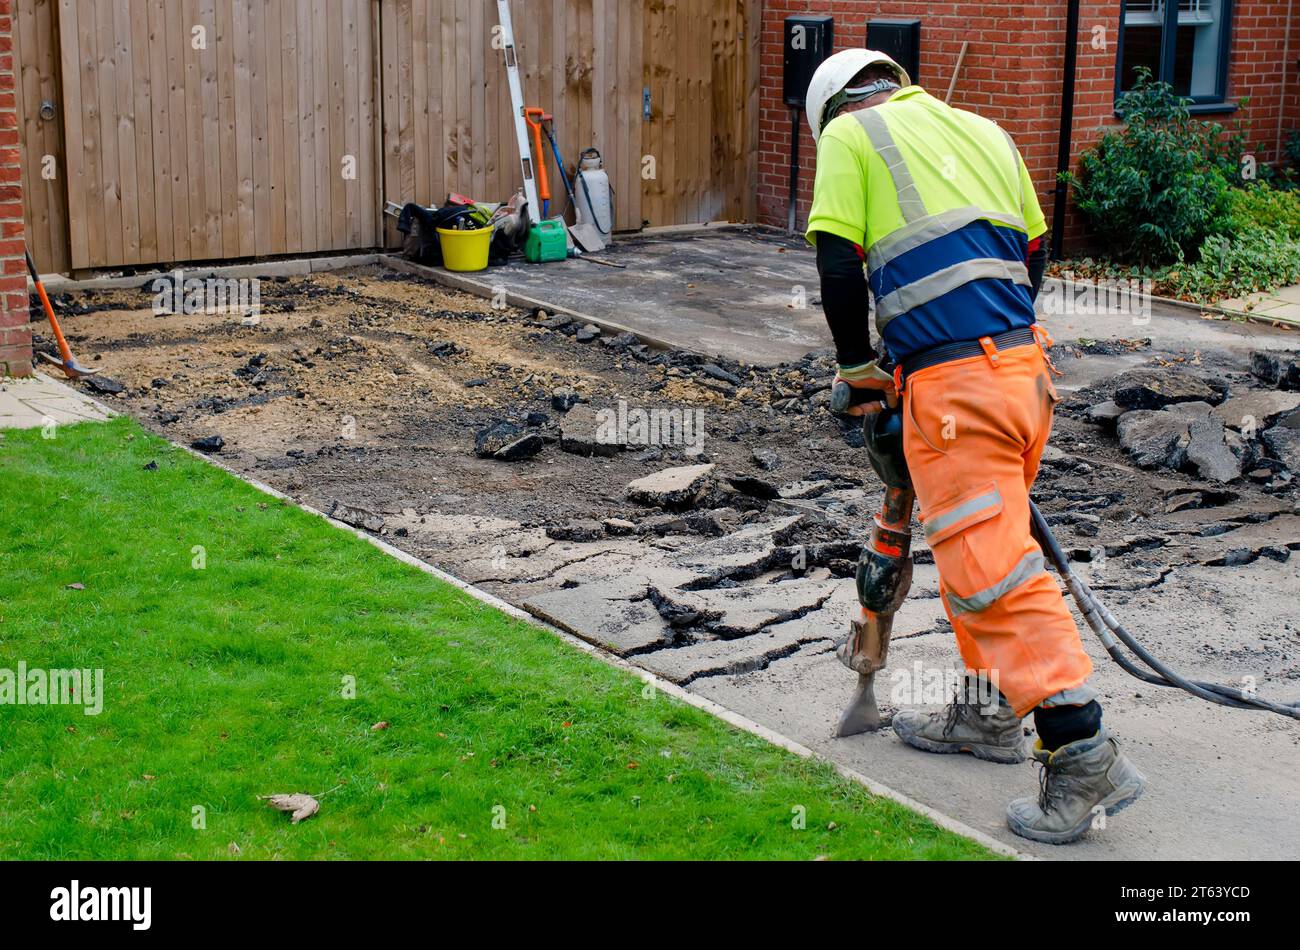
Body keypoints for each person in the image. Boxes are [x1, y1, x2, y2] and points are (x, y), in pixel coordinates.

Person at [803, 49, 1146, 844]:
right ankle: (991, 715)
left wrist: (859, 367)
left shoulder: (853, 140)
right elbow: (1034, 254)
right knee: (984, 555)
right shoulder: (987, 130)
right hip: (1024, 377)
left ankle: (1082, 751)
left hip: (957, 393)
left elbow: (837, 266)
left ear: (830, 112)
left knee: (994, 576)